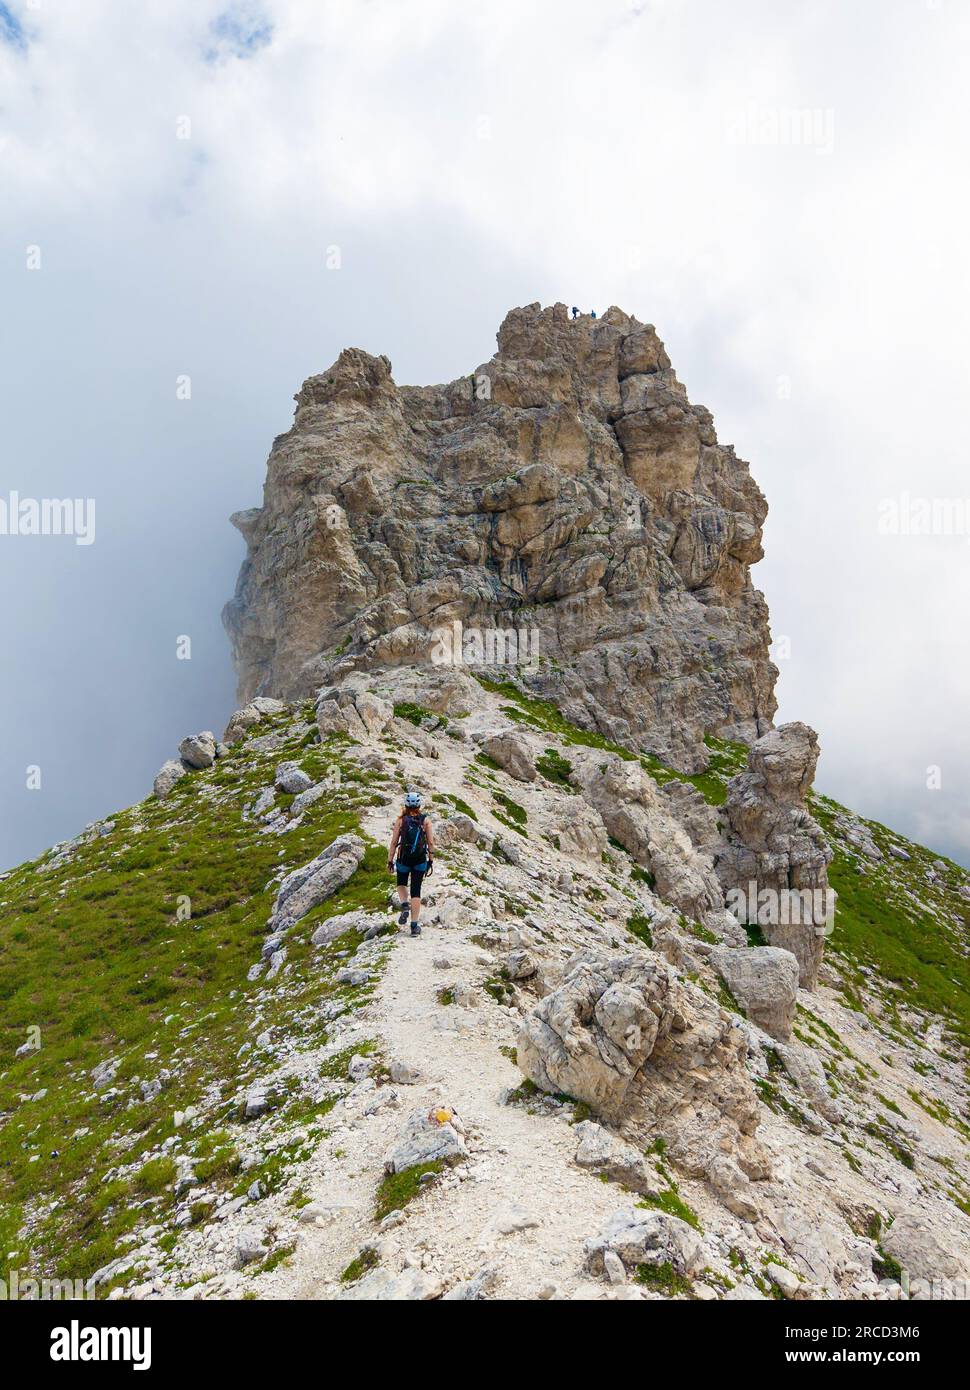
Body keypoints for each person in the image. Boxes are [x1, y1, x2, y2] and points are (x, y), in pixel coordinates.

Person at [388, 790, 434, 936]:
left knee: (401, 883)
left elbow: (394, 842)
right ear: (419, 805)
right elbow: (431, 842)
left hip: (404, 858)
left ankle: (404, 905)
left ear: (406, 805)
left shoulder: (401, 821)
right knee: (416, 891)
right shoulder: (426, 821)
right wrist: (431, 859)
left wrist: (390, 860)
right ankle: (414, 927)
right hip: (420, 859)